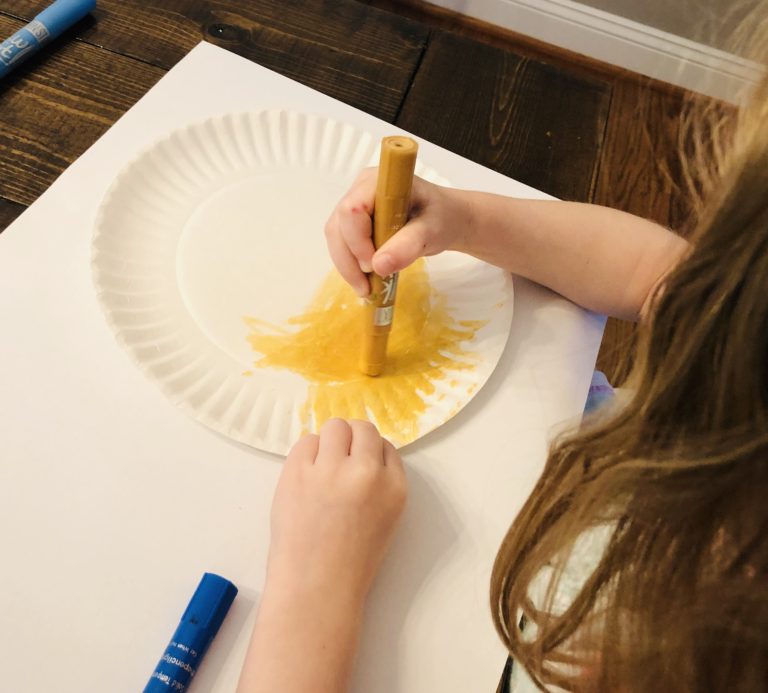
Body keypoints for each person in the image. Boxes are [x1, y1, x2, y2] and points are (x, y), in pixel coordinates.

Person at [237, 61, 768, 693]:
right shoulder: (741, 318)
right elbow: (661, 278)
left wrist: (311, 594)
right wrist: (465, 220)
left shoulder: (681, 651)